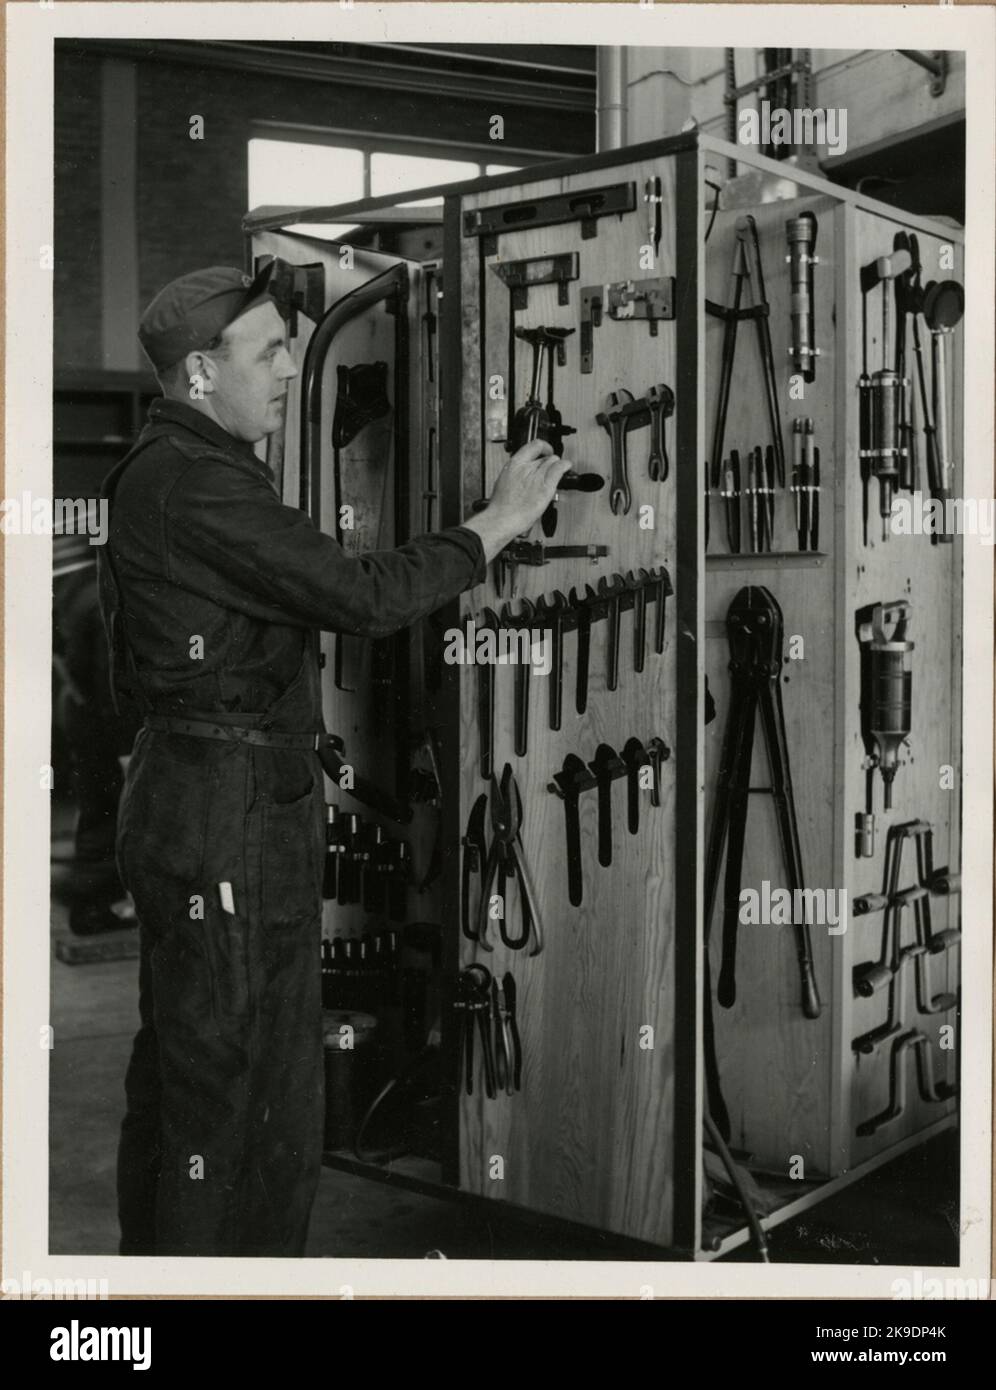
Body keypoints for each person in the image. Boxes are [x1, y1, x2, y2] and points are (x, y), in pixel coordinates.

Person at [100, 263, 568, 1256]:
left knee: (192, 1076)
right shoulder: (195, 484)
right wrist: (497, 523)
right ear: (196, 373)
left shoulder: (184, 466)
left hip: (211, 797)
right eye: (267, 353)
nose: (288, 371)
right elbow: (357, 596)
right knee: (240, 1096)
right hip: (223, 815)